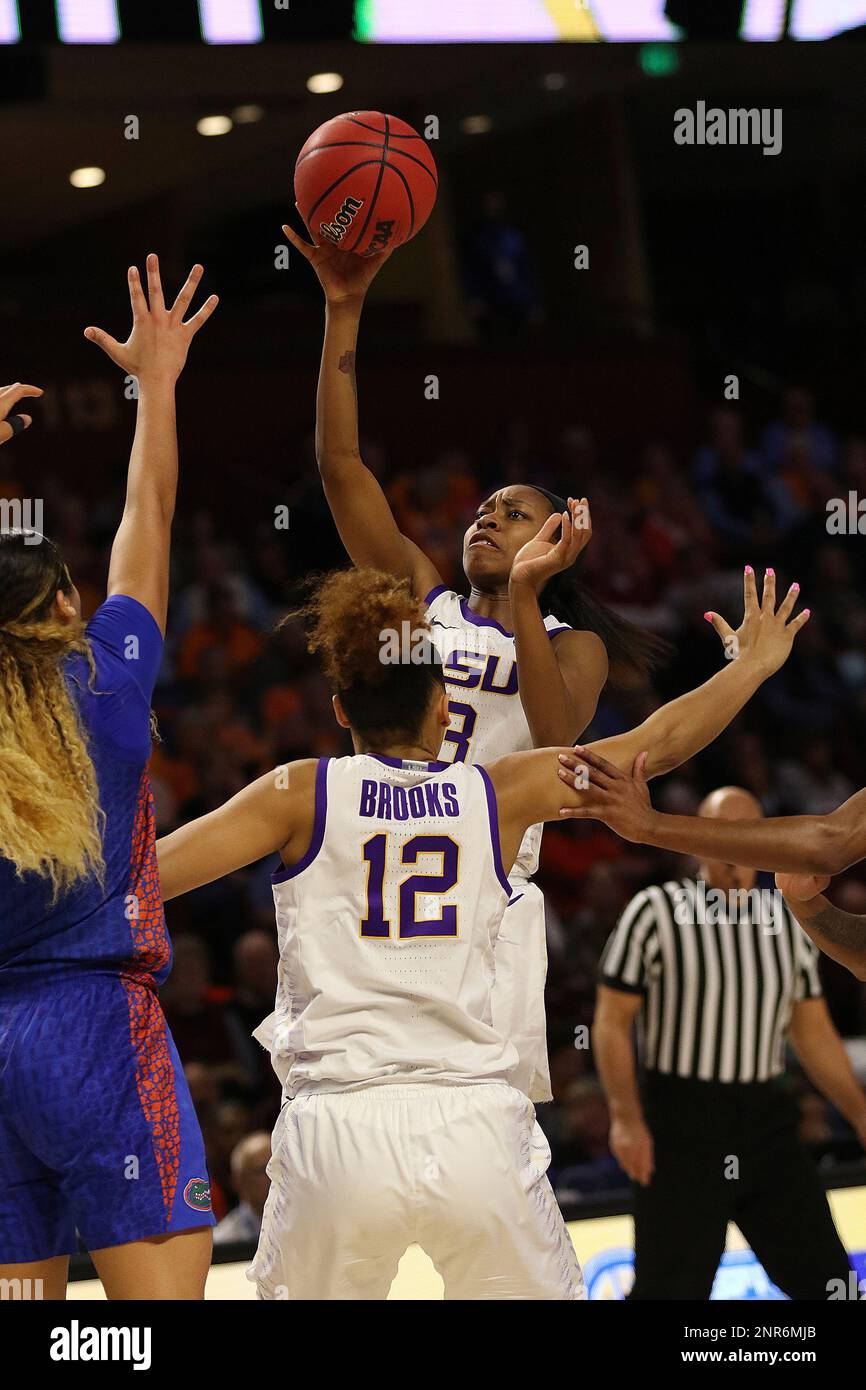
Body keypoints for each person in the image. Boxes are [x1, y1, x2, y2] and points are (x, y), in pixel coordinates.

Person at [155, 562, 806, 1299]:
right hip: (472, 1124)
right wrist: (749, 666)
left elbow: (146, 876)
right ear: (443, 708)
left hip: (337, 1124)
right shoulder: (497, 794)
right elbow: (657, 745)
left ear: (340, 709)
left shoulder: (296, 792)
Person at [282, 219, 668, 1104]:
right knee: (340, 1093)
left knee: (488, 1112)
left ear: (558, 542)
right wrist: (344, 310)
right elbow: (339, 464)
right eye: (484, 508)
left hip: (489, 873)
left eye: (515, 513)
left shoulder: (576, 644)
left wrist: (529, 596)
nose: (487, 518)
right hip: (375, 849)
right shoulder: (420, 593)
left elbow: (559, 731)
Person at [0, 255, 218, 1300]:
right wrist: (157, 385)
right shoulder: (105, 684)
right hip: (93, 1027)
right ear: (56, 612)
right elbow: (151, 520)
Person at [594, 785, 858, 1301]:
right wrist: (625, 1117)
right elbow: (609, 1022)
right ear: (701, 841)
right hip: (681, 1124)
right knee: (669, 1289)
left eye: (749, 837)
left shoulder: (787, 919)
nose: (737, 850)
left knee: (830, 1283)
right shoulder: (656, 910)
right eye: (725, 836)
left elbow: (812, 1030)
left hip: (766, 1121)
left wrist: (860, 1112)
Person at [214, 1133, 271, 1246]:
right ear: (239, 1183)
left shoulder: (307, 1223)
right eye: (262, 1170)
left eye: (280, 1167)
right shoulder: (223, 1241)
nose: (273, 1177)